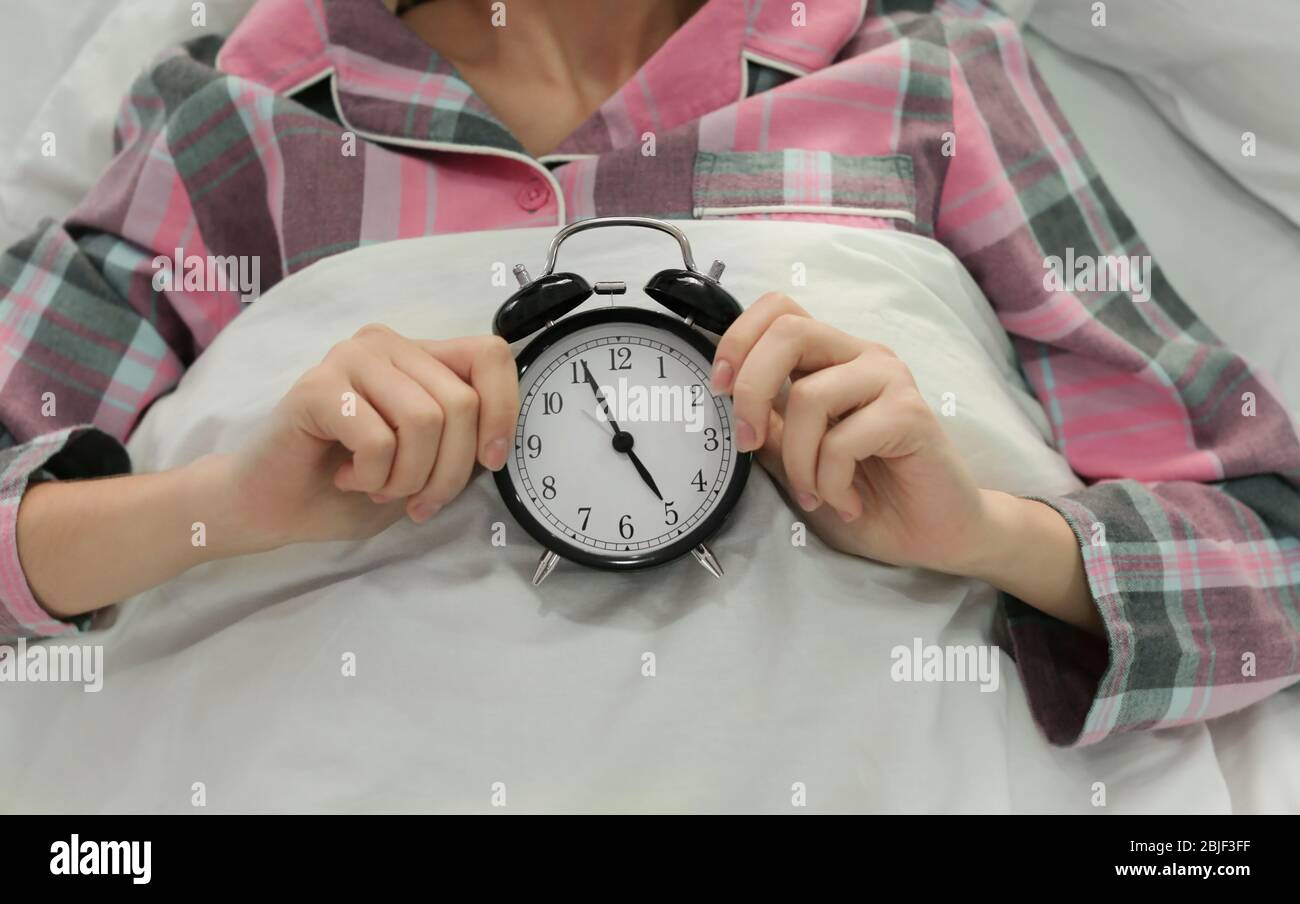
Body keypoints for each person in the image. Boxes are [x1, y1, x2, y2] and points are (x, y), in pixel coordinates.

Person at [2, 0, 1297, 748]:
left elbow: (1272, 549)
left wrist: (996, 535)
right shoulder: (237, 119)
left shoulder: (925, 82)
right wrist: (224, 505)